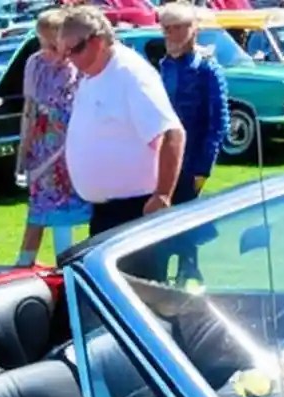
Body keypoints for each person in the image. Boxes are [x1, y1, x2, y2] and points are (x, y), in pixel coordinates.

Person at [61, 6, 186, 240]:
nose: (69, 59)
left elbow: (172, 133)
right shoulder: (92, 74)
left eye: (75, 50)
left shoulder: (130, 74)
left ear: (97, 41)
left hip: (136, 210)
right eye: (65, 52)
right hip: (106, 212)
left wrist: (162, 195)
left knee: (136, 276)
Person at [14, 9, 91, 267]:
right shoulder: (35, 63)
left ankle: (65, 263)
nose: (45, 49)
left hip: (70, 145)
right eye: (41, 41)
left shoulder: (77, 67)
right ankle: (24, 263)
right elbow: (29, 107)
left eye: (51, 43)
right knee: (39, 207)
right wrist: (23, 149)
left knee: (64, 210)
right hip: (41, 145)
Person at [157, 2, 229, 206]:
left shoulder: (207, 69)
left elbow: (218, 123)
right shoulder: (165, 66)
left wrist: (203, 168)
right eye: (166, 29)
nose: (170, 34)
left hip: (191, 164)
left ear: (193, 30)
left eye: (177, 27)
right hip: (163, 161)